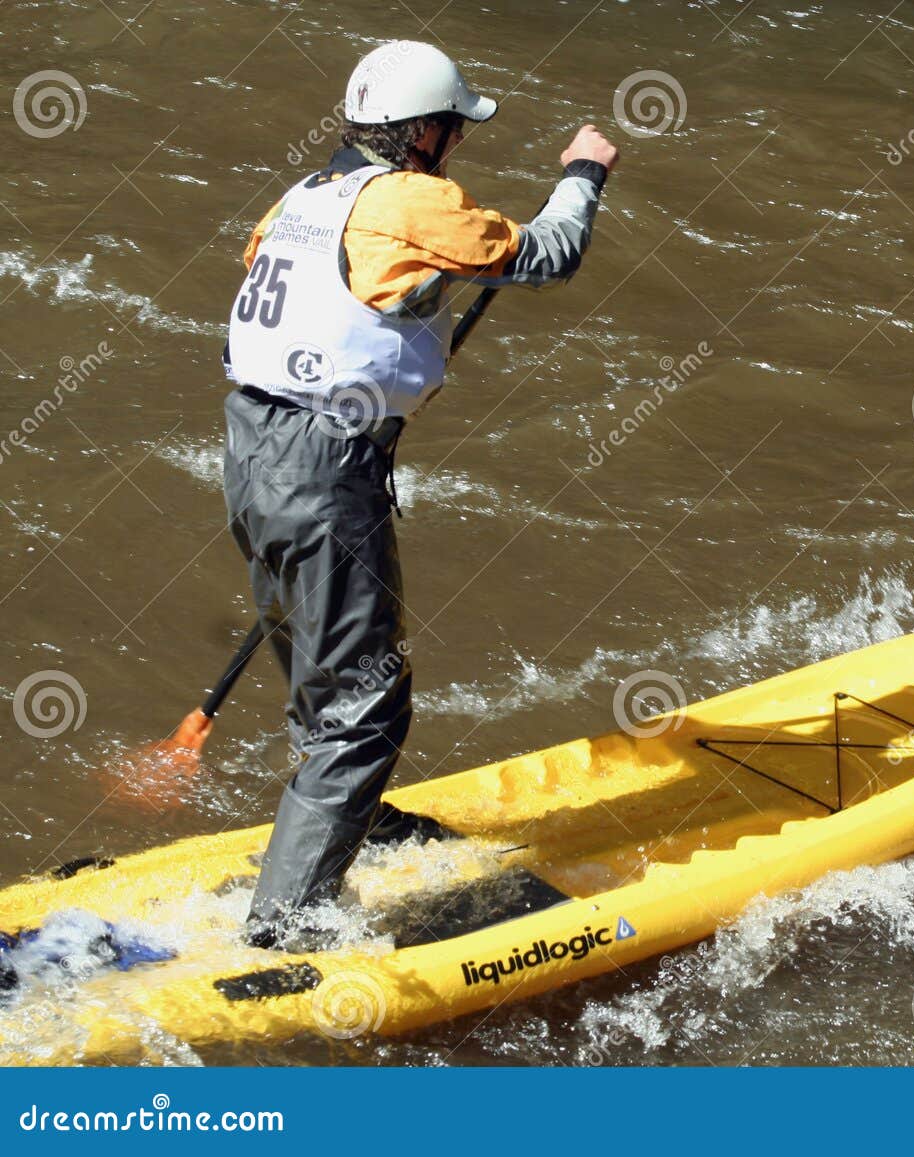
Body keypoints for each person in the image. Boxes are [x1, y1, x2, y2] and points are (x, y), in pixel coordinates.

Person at [222, 41, 618, 950]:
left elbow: (328, 298)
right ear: (424, 132)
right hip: (325, 470)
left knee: (325, 672)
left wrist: (416, 298)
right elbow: (547, 254)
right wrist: (583, 173)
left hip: (249, 456)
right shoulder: (412, 197)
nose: (456, 146)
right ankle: (284, 929)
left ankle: (351, 814)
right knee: (369, 704)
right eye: (452, 129)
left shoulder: (297, 202)